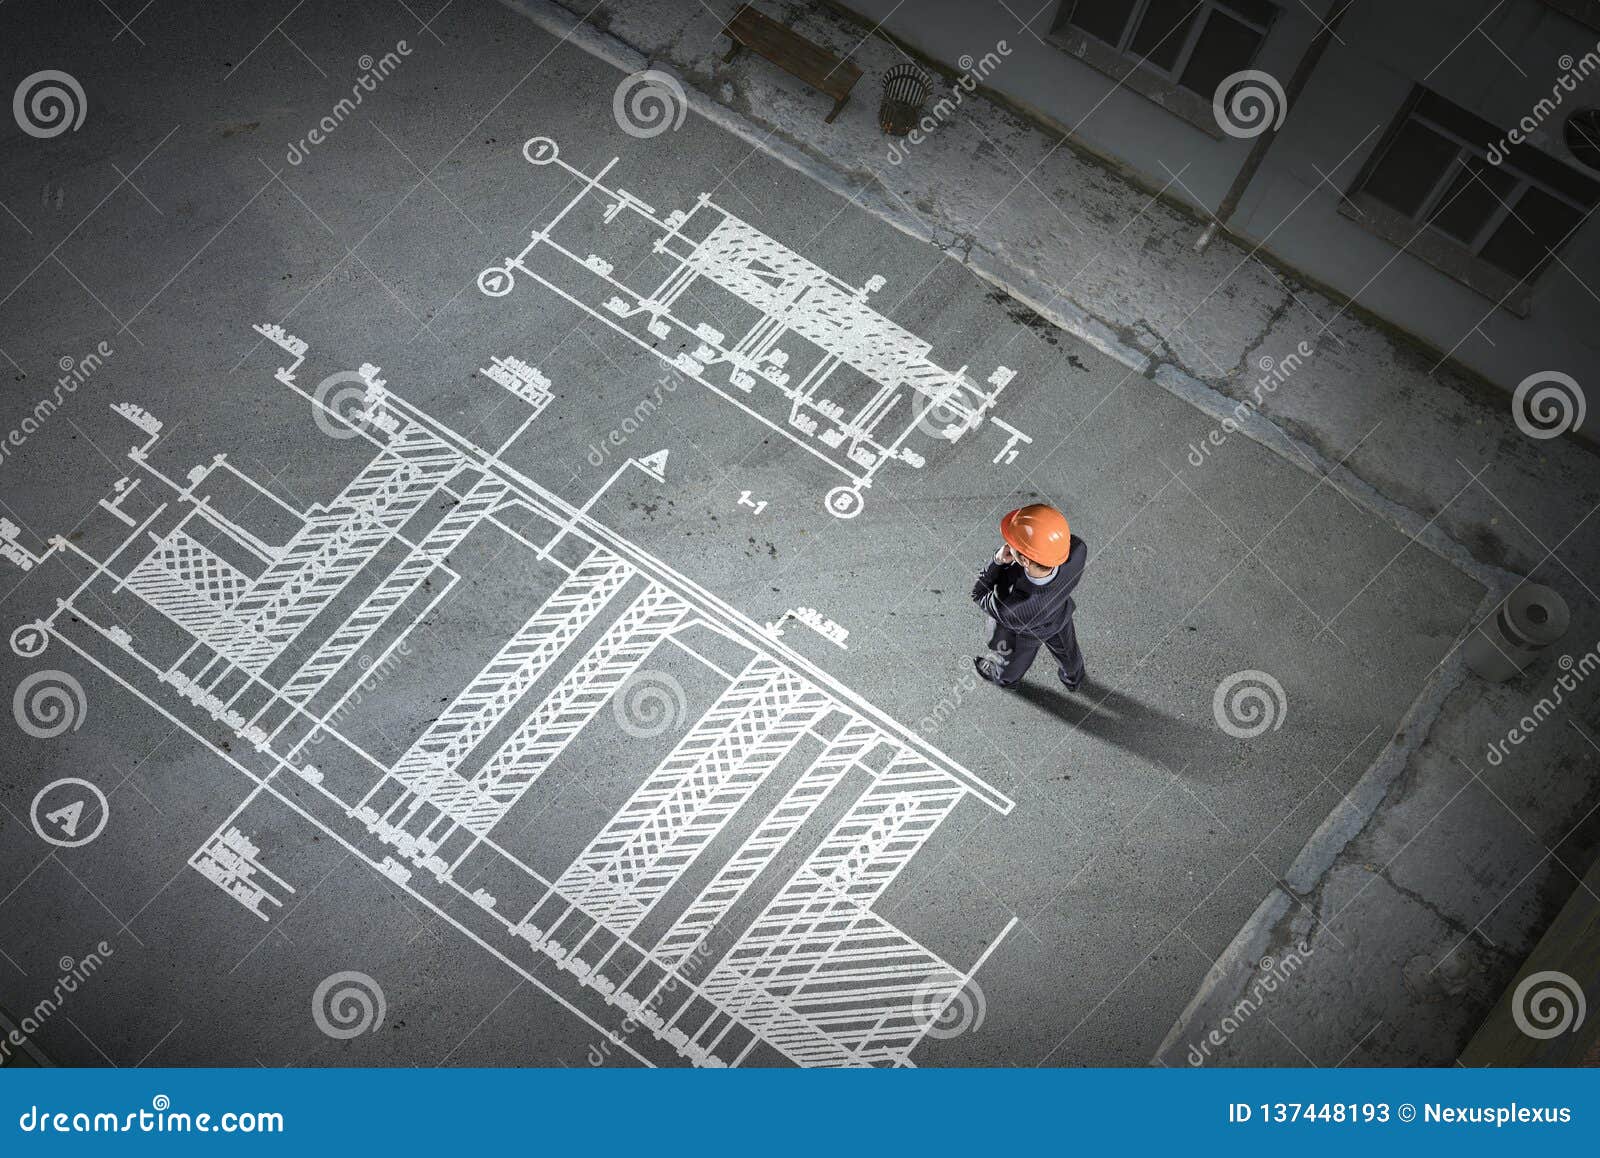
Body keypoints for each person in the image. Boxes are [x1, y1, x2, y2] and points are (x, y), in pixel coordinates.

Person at [970, 503, 1087, 690]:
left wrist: (997, 561)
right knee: (1068, 652)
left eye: (1012, 545)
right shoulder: (1078, 551)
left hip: (1025, 635)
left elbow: (978, 593)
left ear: (1025, 560)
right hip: (1059, 616)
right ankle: (1074, 679)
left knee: (1011, 663)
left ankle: (1005, 680)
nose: (1008, 545)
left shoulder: (1011, 609)